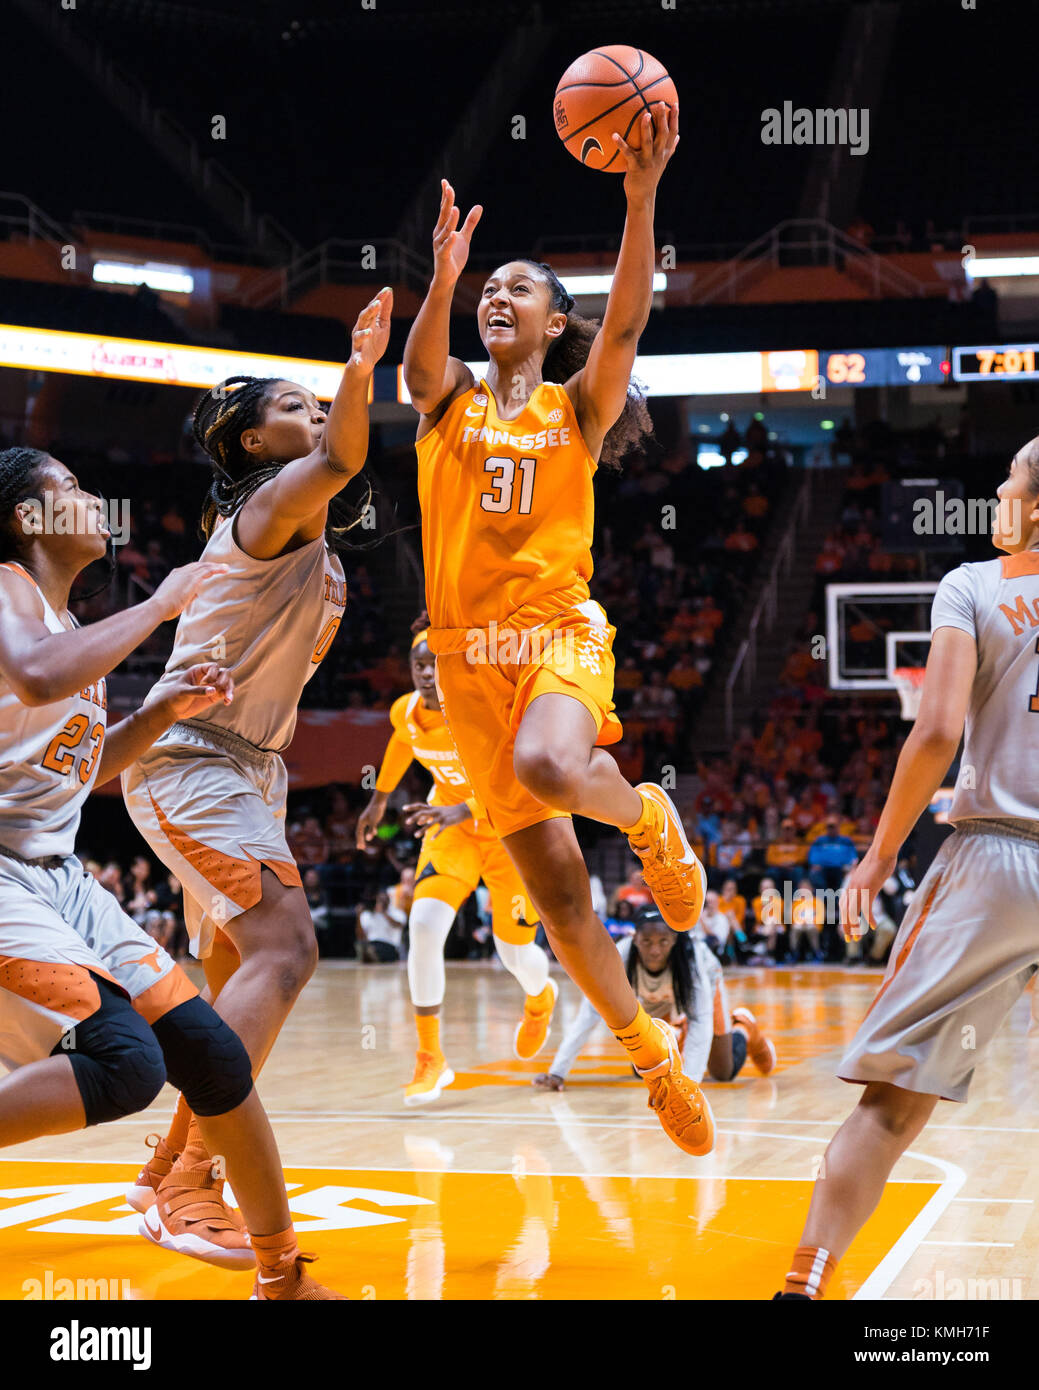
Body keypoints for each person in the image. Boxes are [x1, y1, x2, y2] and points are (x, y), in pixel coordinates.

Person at [403, 109, 714, 1157]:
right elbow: (413, 374)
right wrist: (441, 276)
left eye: (517, 288)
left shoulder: (574, 409)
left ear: (551, 324)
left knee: (551, 760)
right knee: (562, 900)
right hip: (465, 664)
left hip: (554, 633)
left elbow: (624, 327)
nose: (498, 294)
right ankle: (648, 1053)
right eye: (490, 287)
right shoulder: (446, 401)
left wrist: (637, 197)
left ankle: (648, 817)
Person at [0, 447, 340, 1298]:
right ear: (26, 519)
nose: (91, 500)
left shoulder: (72, 628)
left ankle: (281, 1278)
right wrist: (160, 606)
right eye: (71, 488)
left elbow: (78, 771)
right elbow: (35, 678)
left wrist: (160, 711)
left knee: (212, 1055)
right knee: (123, 1063)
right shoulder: (6, 589)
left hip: (58, 875)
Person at [119, 291, 391, 1264]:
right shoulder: (268, 504)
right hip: (196, 757)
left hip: (250, 768)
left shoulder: (305, 532)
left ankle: (171, 1168)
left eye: (321, 402)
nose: (315, 413)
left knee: (238, 975)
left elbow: (345, 473)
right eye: (296, 404)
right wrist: (360, 368)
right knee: (287, 951)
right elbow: (344, 459)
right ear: (246, 439)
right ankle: (187, 1181)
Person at [775, 436, 1039, 1301]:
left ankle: (803, 1285)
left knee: (890, 1106)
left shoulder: (973, 586)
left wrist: (879, 855)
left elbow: (934, 733)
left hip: (996, 862)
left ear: (1034, 505)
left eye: (1009, 481)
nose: (997, 494)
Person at [357, 618, 556, 1103]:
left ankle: (540, 998)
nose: (426, 673)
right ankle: (431, 1058)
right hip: (455, 834)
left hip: (510, 830)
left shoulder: (476, 712)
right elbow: (403, 742)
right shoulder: (405, 712)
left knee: (515, 956)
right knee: (423, 925)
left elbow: (511, 780)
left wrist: (458, 808)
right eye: (418, 665)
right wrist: (378, 801)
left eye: (434, 665)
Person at [534, 906, 777, 1090]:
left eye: (663, 941)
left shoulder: (692, 960)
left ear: (674, 940)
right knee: (646, 1070)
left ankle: (745, 1028)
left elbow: (701, 1021)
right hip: (653, 998)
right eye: (647, 941)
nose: (654, 950)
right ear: (635, 938)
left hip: (706, 990)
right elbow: (589, 1014)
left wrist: (688, 1086)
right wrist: (558, 1072)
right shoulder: (621, 955)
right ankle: (678, 1033)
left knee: (722, 1071)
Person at [357, 890, 405, 963]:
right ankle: (370, 954)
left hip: (390, 946)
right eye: (379, 900)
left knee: (372, 949)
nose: (382, 902)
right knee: (362, 945)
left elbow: (398, 925)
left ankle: (370, 955)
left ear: (389, 900)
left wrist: (384, 913)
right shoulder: (368, 914)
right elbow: (360, 936)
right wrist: (359, 916)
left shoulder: (397, 912)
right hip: (372, 943)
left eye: (384, 900)